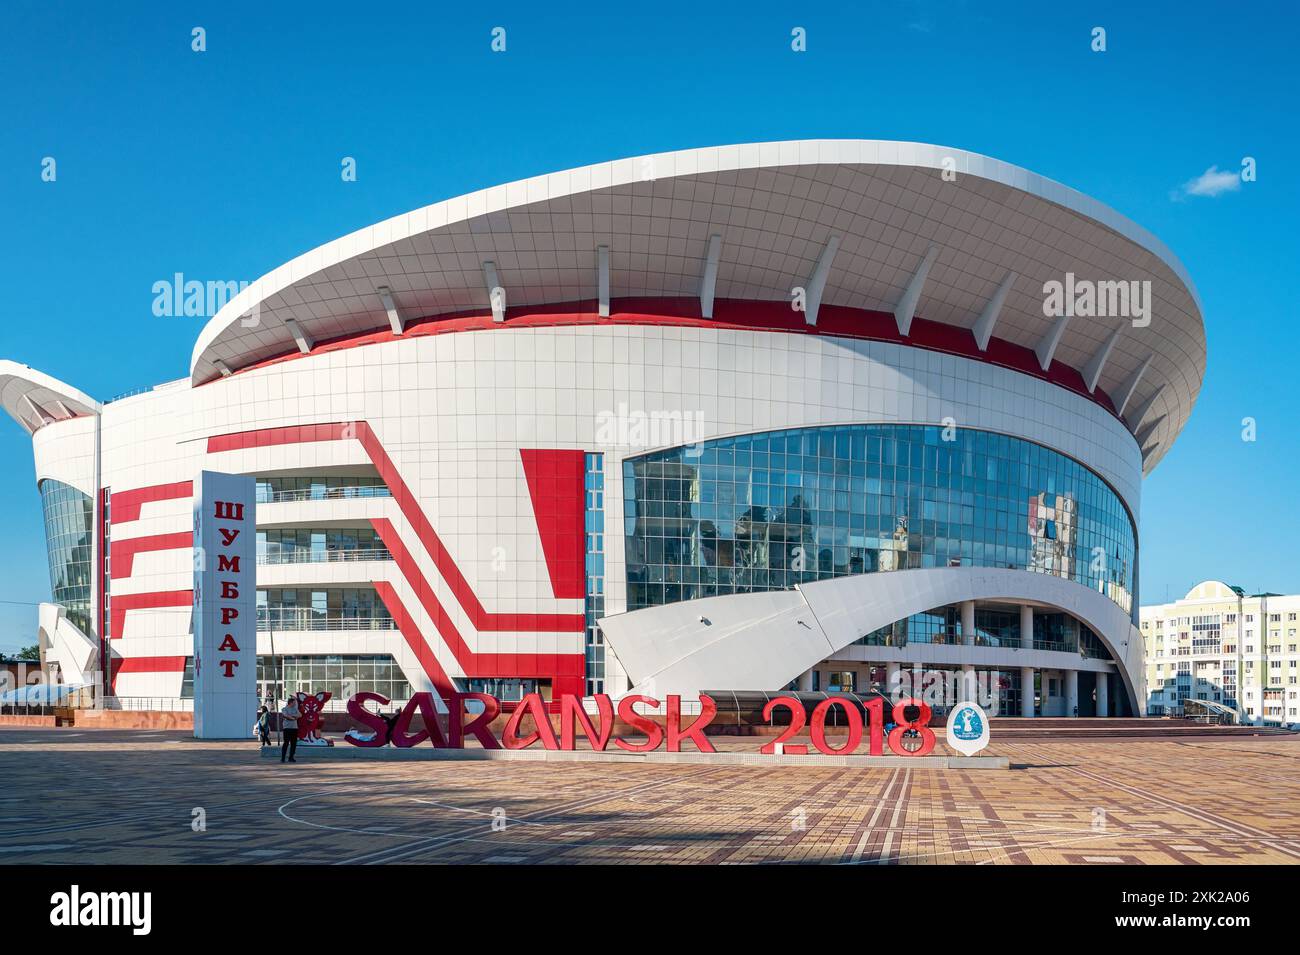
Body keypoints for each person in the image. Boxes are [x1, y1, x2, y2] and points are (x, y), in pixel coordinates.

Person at [280, 695, 301, 763]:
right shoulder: (284, 709)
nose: (295, 704)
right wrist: (293, 717)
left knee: (293, 744)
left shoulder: (295, 709)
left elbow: (300, 715)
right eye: (294, 702)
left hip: (294, 728)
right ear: (290, 703)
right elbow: (285, 715)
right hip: (287, 728)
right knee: (286, 743)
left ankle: (291, 757)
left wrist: (292, 716)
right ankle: (283, 758)